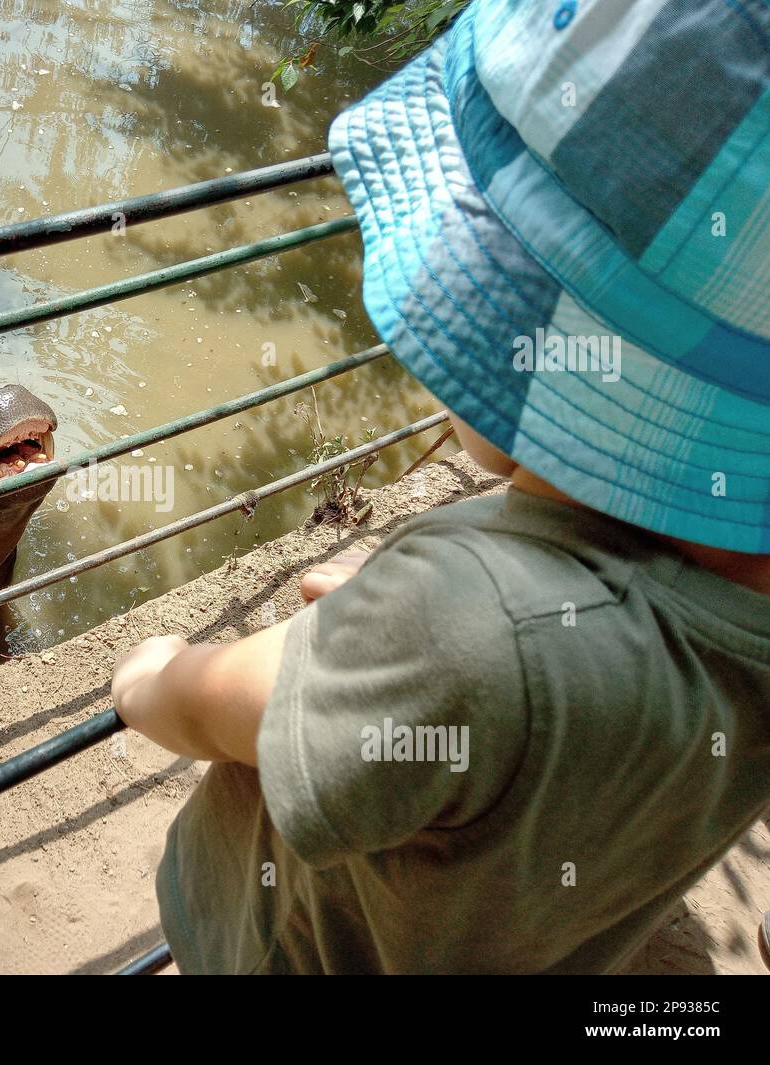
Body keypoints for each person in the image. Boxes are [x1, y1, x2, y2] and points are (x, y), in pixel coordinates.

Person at [110, 0, 770, 973]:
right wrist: (392, 663)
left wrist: (150, 673)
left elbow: (197, 705)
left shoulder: (463, 633)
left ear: (535, 347)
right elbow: (552, 703)